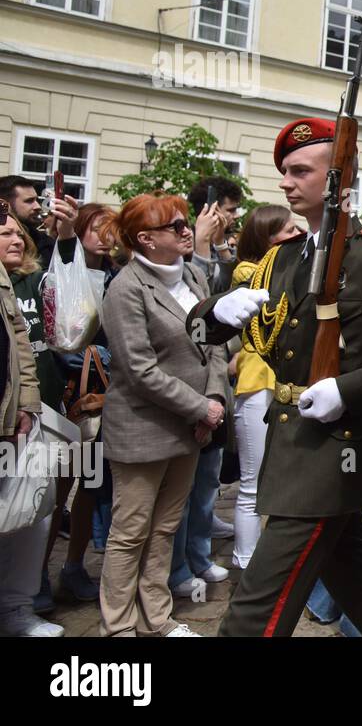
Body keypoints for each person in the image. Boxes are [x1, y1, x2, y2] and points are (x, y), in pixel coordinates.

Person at [188, 117, 362, 637]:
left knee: (255, 609)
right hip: (289, 440)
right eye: (283, 171)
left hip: (332, 451)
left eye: (299, 171)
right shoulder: (282, 257)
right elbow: (201, 325)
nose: (285, 182)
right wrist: (218, 310)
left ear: (338, 177)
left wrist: (350, 390)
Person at [97, 192, 227, 637]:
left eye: (184, 222)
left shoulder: (193, 275)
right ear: (145, 239)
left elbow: (214, 344)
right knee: (130, 531)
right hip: (143, 428)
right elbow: (138, 369)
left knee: (167, 526)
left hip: (192, 426)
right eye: (175, 226)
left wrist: (214, 402)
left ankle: (156, 617)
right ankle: (117, 626)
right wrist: (202, 406)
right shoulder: (125, 287)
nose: (186, 230)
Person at [39, 199, 119, 609]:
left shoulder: (116, 275)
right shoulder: (59, 271)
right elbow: (60, 341)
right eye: (98, 228)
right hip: (68, 401)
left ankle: (73, 567)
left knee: (90, 488)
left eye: (112, 230)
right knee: (57, 491)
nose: (106, 238)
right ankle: (36, 574)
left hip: (104, 402)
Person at [226, 205, 302, 569]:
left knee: (275, 482)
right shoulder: (250, 272)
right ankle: (245, 563)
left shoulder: (281, 268)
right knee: (252, 484)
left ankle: (265, 560)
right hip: (258, 385)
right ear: (267, 239)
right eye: (287, 230)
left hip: (280, 382)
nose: (296, 232)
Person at [0, 203, 63, 636]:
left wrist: (27, 404)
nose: (16, 239)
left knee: (33, 514)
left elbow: (22, 344)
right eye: (5, 233)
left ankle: (16, 609)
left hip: (18, 421)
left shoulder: (11, 282)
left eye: (18, 232)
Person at [187, 176, 244, 295]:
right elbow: (201, 293)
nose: (237, 215)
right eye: (231, 210)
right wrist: (203, 241)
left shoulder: (224, 240)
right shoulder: (185, 244)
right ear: (212, 209)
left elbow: (230, 287)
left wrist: (220, 244)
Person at [0, 175, 55, 269]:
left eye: (20, 235)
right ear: (5, 204)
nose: (37, 206)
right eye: (29, 201)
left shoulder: (44, 243)